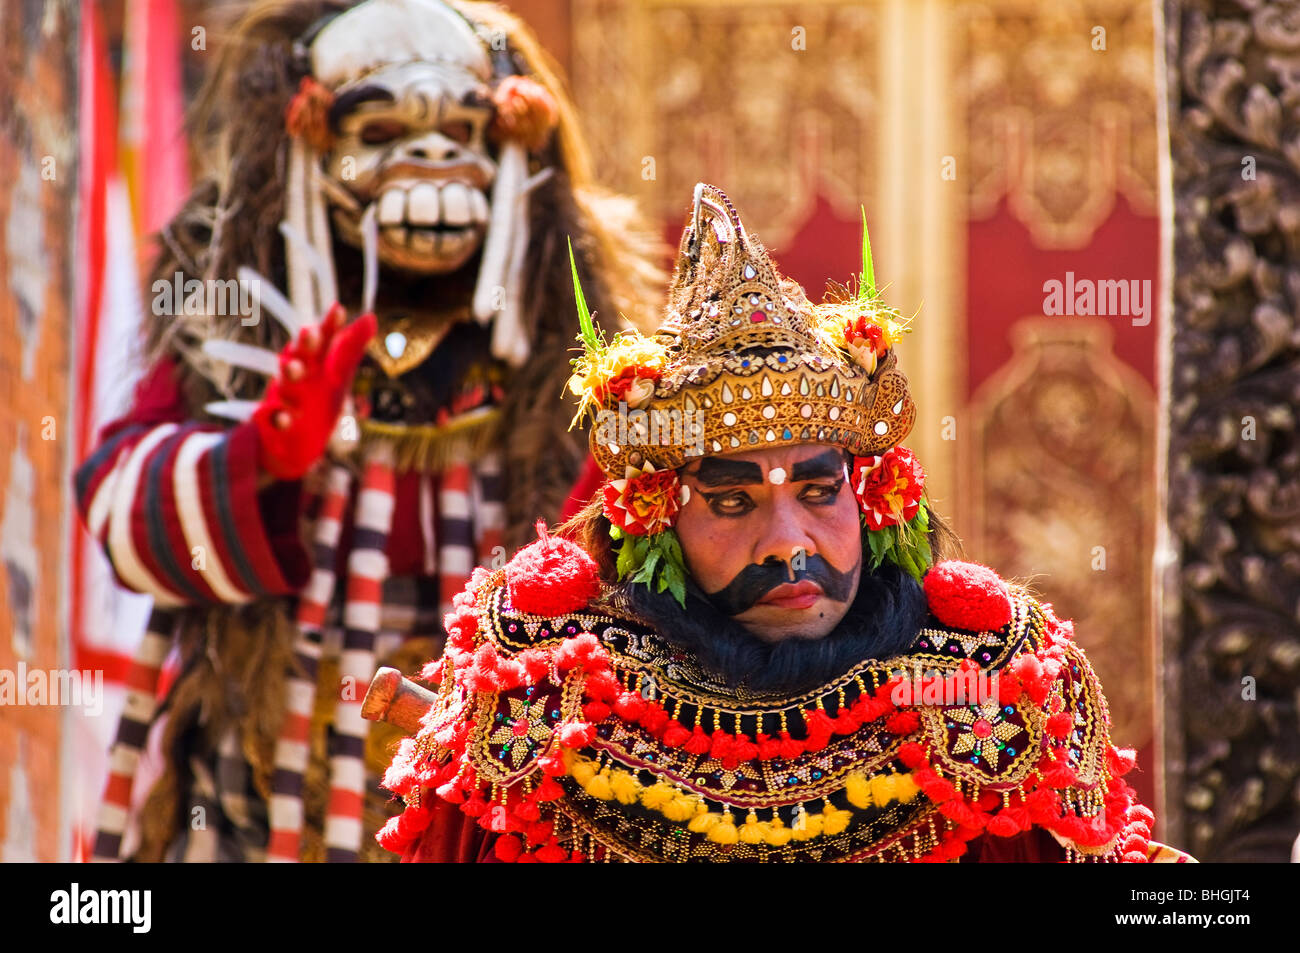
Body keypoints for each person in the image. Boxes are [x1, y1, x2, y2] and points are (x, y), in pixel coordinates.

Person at [372, 182, 1192, 863]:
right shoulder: (548, 685)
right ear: (653, 518)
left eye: (818, 491)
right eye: (732, 501)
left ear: (871, 497)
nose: (789, 543)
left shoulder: (985, 677)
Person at [74, 0, 658, 862]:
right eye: (380, 131)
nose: (428, 161)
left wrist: (606, 507)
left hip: (497, 804)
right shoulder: (233, 321)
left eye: (461, 134)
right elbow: (116, 504)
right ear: (306, 140)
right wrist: (257, 460)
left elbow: (644, 566)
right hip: (262, 806)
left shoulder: (567, 335)